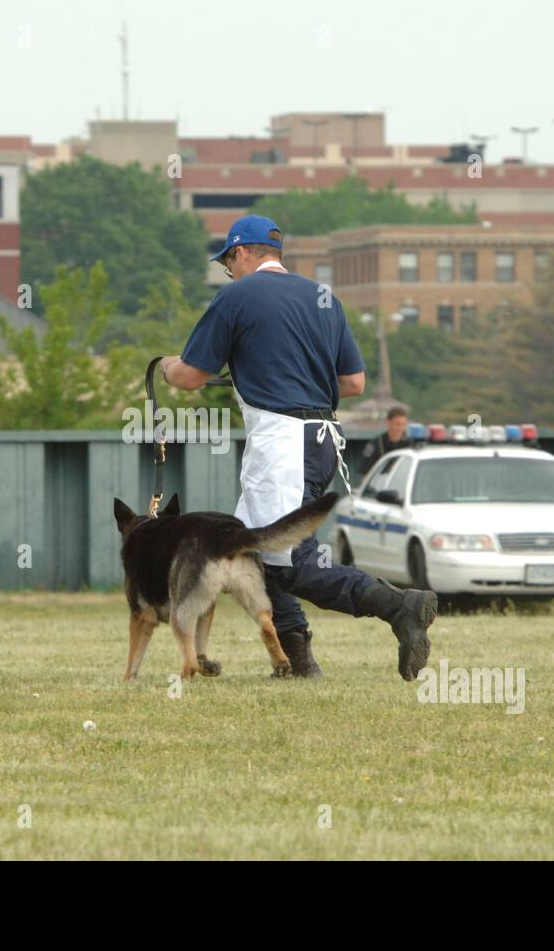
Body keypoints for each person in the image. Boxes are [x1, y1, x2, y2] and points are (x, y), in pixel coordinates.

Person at [159, 214, 436, 681]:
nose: (230, 271)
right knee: (248, 549)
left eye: (230, 262)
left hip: (282, 442)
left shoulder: (236, 297)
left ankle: (400, 606)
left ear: (241, 253)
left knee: (287, 563)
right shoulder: (323, 298)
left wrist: (165, 366)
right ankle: (298, 661)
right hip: (323, 437)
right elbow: (353, 382)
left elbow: (191, 377)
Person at [360, 403, 411, 476]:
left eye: (403, 425)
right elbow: (365, 473)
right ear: (388, 422)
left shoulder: (410, 444)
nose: (400, 428)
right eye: (397, 424)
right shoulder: (375, 444)